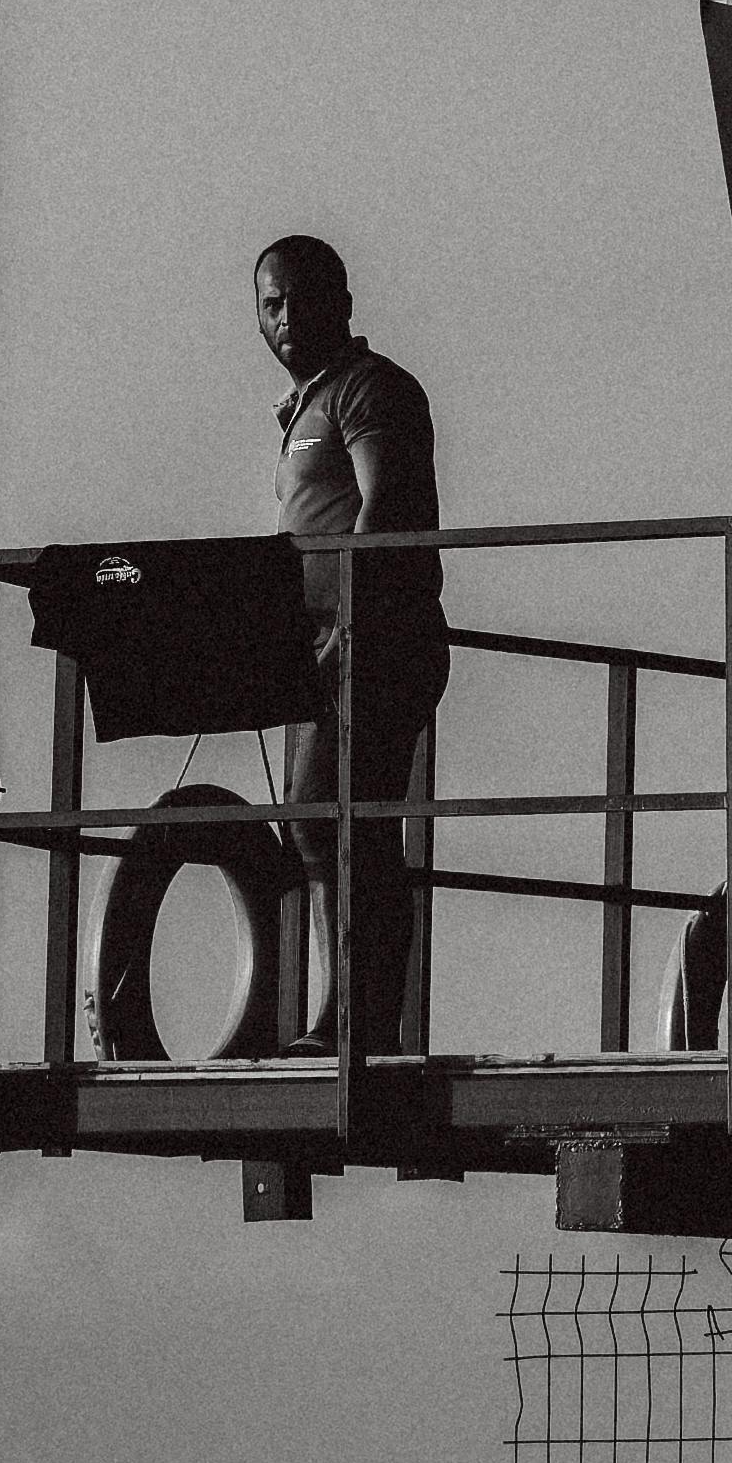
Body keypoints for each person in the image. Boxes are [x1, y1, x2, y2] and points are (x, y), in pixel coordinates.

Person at [258, 234, 444, 1054]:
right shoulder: (307, 405)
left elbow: (384, 506)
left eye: (301, 297)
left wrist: (352, 626)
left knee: (335, 818)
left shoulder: (370, 389)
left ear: (341, 300)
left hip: (382, 641)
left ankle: (356, 1021)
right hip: (330, 649)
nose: (287, 317)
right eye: (271, 304)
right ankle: (354, 1017)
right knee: (338, 820)